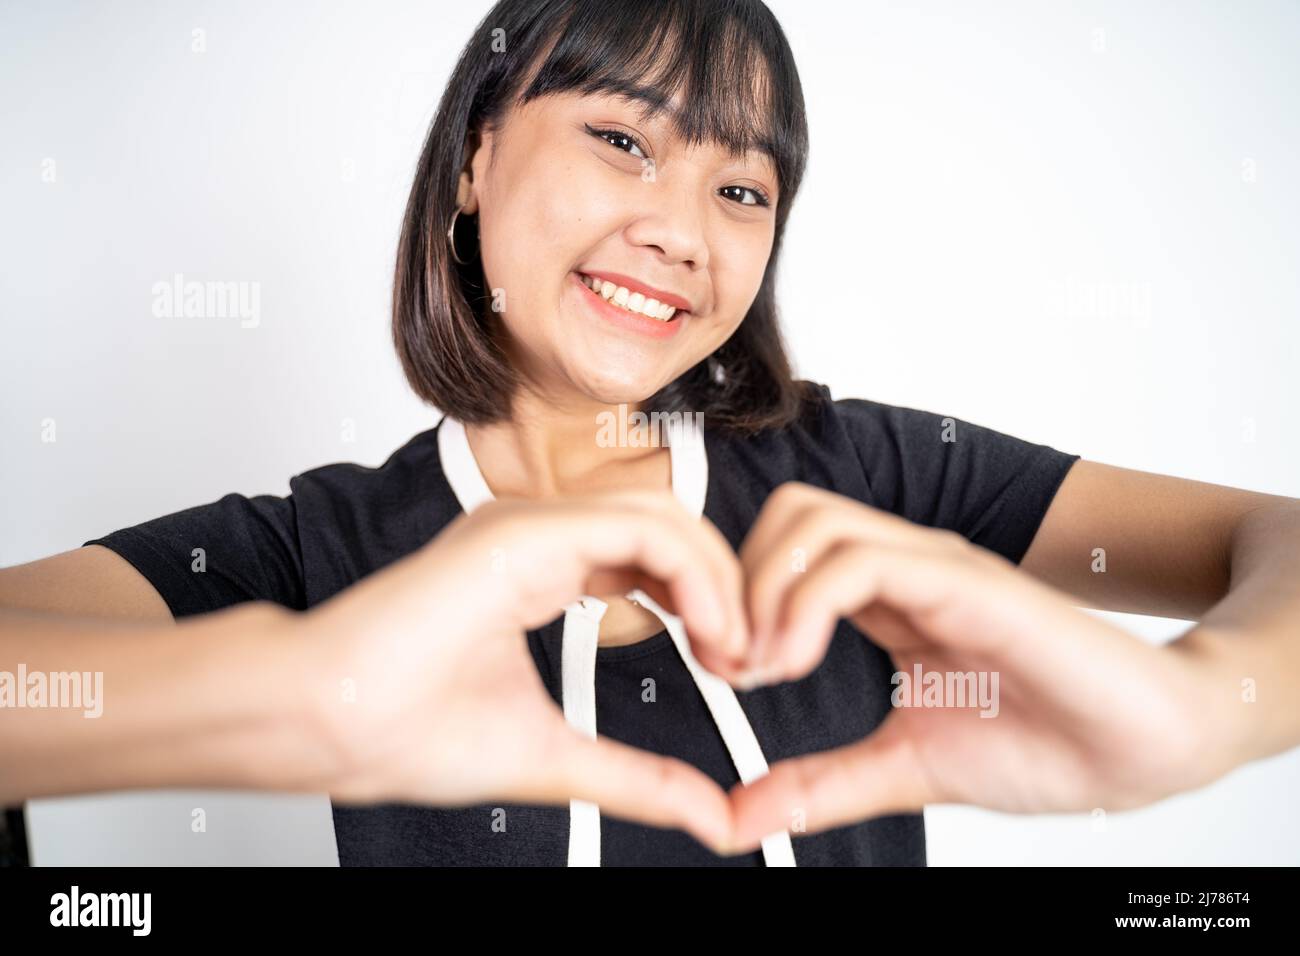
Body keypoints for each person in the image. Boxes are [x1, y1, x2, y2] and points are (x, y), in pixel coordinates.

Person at [3, 0, 1298, 866]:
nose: (683, 228)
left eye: (741, 187)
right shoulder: (317, 549)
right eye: (623, 140)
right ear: (473, 157)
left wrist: (1203, 708)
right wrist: (303, 697)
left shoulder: (862, 478)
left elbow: (1277, 537)